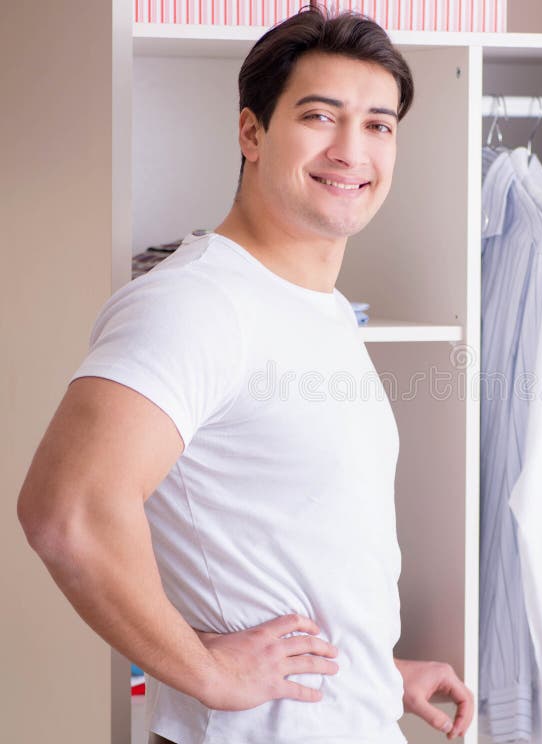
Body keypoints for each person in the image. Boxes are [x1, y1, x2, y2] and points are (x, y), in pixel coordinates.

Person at [17, 7, 474, 743]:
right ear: (251, 133)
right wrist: (207, 672)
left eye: (379, 125)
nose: (352, 150)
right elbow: (65, 512)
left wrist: (369, 676)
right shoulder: (195, 302)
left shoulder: (319, 309)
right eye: (321, 117)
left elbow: (282, 543)